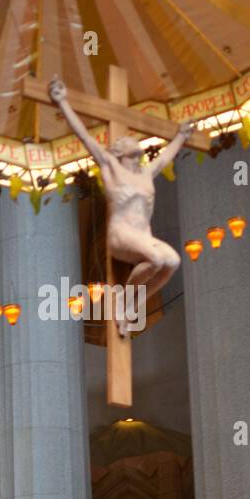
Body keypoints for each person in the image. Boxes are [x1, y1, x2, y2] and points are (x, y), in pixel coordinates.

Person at [48, 75, 191, 336]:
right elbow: (85, 138)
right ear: (119, 151)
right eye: (127, 141)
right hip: (121, 235)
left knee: (172, 261)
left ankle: (133, 304)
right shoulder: (110, 166)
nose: (132, 140)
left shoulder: (146, 173)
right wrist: (63, 102)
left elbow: (166, 157)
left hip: (142, 235)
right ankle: (123, 300)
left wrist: (181, 137)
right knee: (156, 258)